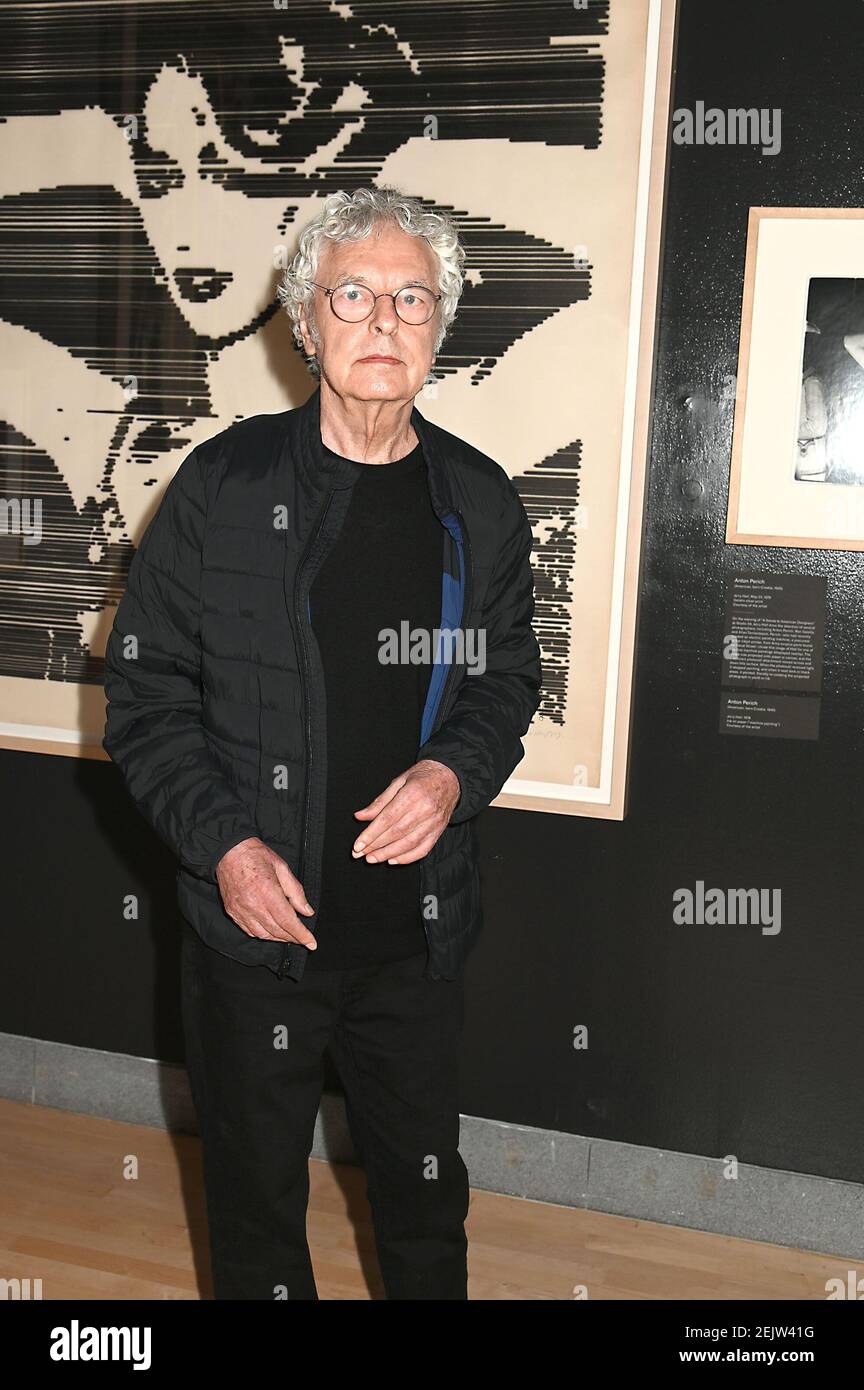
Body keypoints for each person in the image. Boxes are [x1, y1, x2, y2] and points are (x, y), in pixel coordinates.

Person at [102, 185, 542, 1300]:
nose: (384, 320)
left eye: (412, 298)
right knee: (255, 1216)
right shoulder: (224, 488)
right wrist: (228, 851)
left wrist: (451, 774)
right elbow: (145, 699)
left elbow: (507, 682)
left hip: (414, 937)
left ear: (440, 327)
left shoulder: (480, 503)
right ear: (304, 321)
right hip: (257, 938)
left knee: (426, 1203)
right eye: (354, 293)